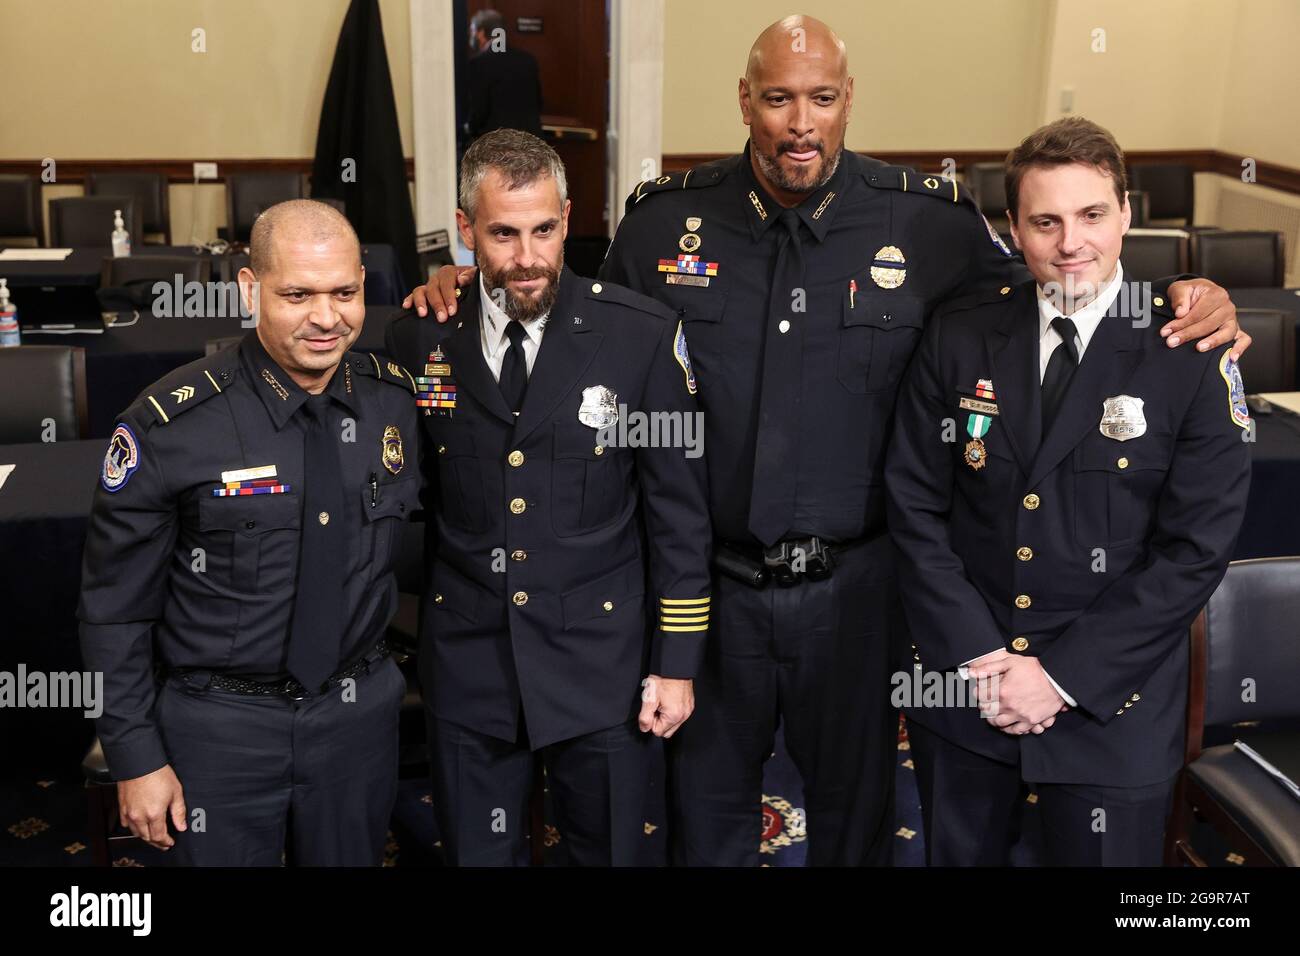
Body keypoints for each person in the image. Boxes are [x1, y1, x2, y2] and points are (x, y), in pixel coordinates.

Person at [404, 16, 1247, 866]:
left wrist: (1184, 292)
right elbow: (576, 322)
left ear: (849, 102)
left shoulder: (932, 225)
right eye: (777, 98)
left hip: (859, 596)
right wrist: (468, 278)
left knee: (859, 823)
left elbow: (1058, 287)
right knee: (701, 821)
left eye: (822, 97)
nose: (800, 121)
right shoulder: (665, 225)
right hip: (714, 591)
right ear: (745, 101)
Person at [885, 117, 1252, 866]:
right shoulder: (961, 334)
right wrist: (985, 663)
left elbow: (1194, 551)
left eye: (1091, 215)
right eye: (1045, 221)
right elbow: (915, 507)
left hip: (1111, 708)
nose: (1070, 243)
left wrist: (1058, 678)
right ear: (1013, 229)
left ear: (1127, 214)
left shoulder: (1187, 350)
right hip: (968, 692)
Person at [385, 129, 711, 866]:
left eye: (543, 230)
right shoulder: (417, 340)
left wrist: (678, 662)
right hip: (472, 664)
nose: (526, 257)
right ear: (466, 229)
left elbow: (680, 519)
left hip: (605, 663)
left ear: (567, 220)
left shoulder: (642, 337)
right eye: (502, 233)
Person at [78, 199, 419, 866]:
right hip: (219, 729)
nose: (327, 318)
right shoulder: (171, 426)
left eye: (344, 292)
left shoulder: (396, 404)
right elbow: (113, 610)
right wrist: (136, 755)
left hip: (357, 721)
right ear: (249, 288)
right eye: (297, 294)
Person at [465, 8, 544, 142]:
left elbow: (479, 111)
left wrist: (470, 129)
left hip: (497, 146)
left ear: (481, 33)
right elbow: (539, 103)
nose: (471, 35)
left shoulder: (479, 64)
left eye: (473, 30)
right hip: (530, 143)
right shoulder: (527, 60)